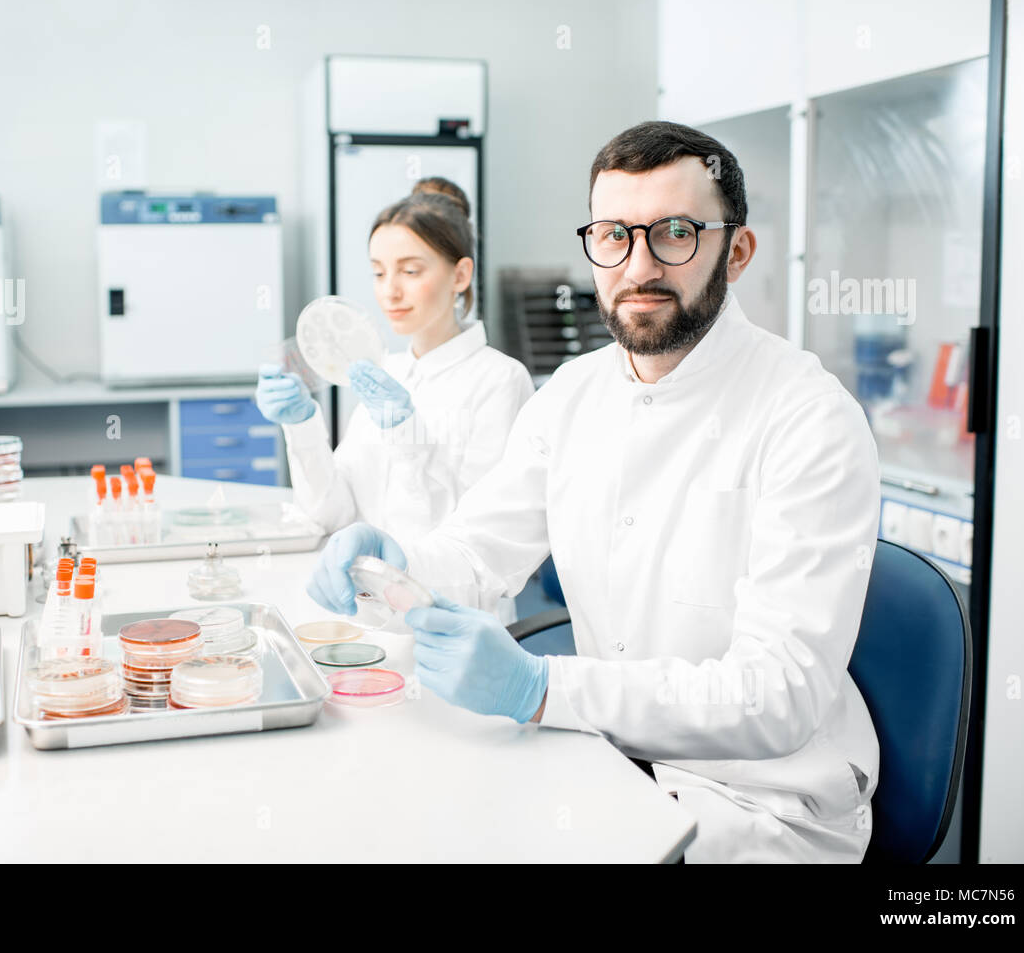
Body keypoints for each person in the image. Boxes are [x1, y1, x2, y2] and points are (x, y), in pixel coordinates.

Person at [307, 122, 882, 863]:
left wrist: (542, 688)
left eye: (676, 232)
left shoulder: (809, 416)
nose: (639, 265)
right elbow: (481, 549)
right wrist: (392, 562)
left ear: (736, 251)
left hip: (761, 803)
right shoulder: (573, 392)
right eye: (614, 235)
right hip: (606, 759)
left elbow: (778, 694)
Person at [257, 178, 535, 571]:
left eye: (410, 271)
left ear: (460, 275)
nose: (390, 292)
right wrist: (302, 427)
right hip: (369, 607)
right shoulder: (387, 373)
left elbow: (475, 545)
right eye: (378, 273)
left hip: (450, 616)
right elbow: (331, 516)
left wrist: (406, 432)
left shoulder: (500, 380)